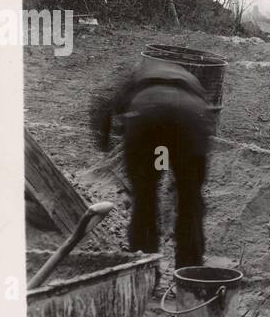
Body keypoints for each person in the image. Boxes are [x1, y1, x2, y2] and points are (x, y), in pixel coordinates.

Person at [90, 56, 214, 268]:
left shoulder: (133, 74)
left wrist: (104, 144)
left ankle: (143, 266)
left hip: (147, 115)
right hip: (191, 117)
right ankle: (189, 272)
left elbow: (102, 101)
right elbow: (210, 120)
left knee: (145, 198)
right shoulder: (192, 81)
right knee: (190, 200)